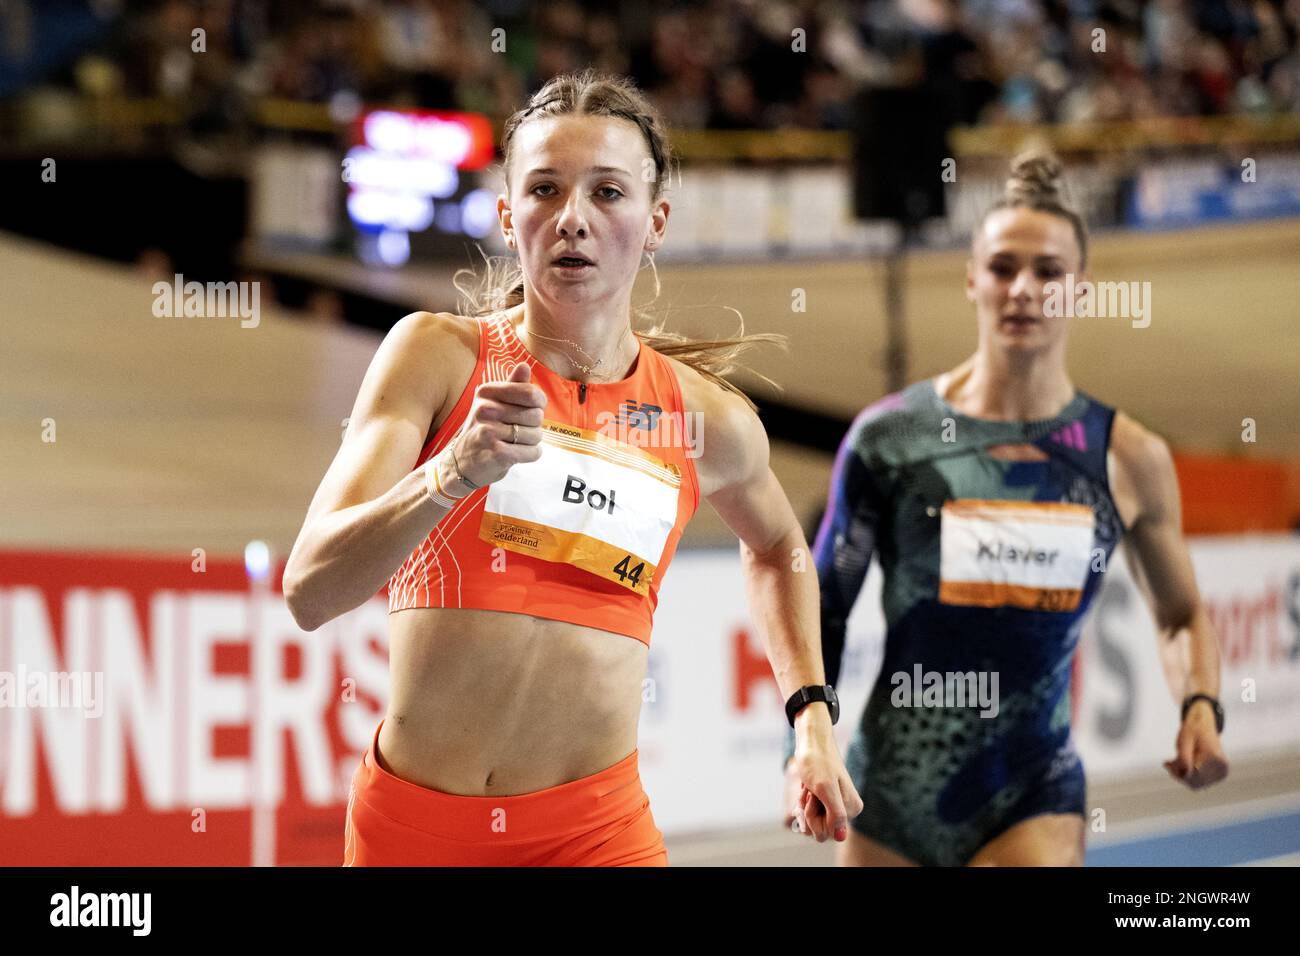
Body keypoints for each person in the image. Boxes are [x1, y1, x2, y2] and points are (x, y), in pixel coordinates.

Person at [283, 69, 863, 866]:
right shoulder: (436, 357)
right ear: (505, 213)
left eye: (608, 194)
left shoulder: (707, 421)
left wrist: (812, 721)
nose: (573, 220)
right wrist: (450, 472)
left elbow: (778, 549)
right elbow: (311, 588)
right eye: (546, 190)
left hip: (596, 837)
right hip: (417, 833)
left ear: (656, 221)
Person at [783, 151, 1229, 866]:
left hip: (1032, 789)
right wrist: (805, 739)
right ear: (971, 280)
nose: (1023, 288)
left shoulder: (1127, 458)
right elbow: (824, 606)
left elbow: (1180, 615)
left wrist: (1201, 704)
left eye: (1048, 271)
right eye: (1002, 267)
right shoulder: (891, 439)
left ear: (1081, 289)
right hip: (889, 794)